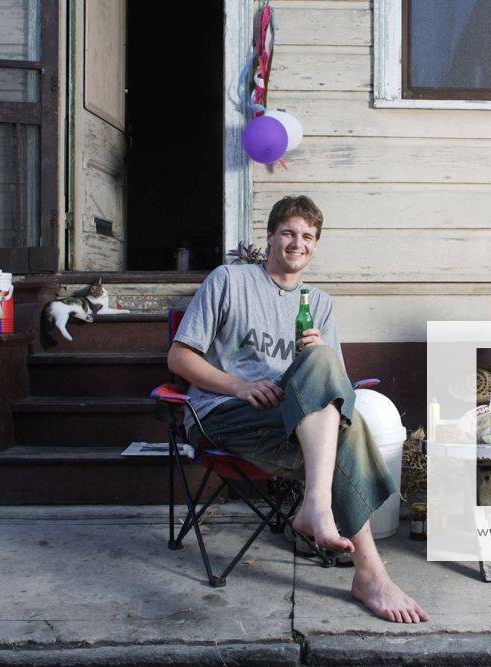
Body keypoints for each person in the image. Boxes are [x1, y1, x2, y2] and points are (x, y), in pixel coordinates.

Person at [167, 195, 430, 624]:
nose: (297, 242)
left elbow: (335, 389)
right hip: (226, 415)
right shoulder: (229, 281)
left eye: (308, 236)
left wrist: (318, 355)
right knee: (346, 422)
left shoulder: (319, 303)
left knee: (329, 377)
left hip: (293, 426)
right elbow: (179, 359)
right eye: (288, 232)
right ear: (270, 237)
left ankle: (328, 520)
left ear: (316, 245)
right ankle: (365, 566)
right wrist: (240, 385)